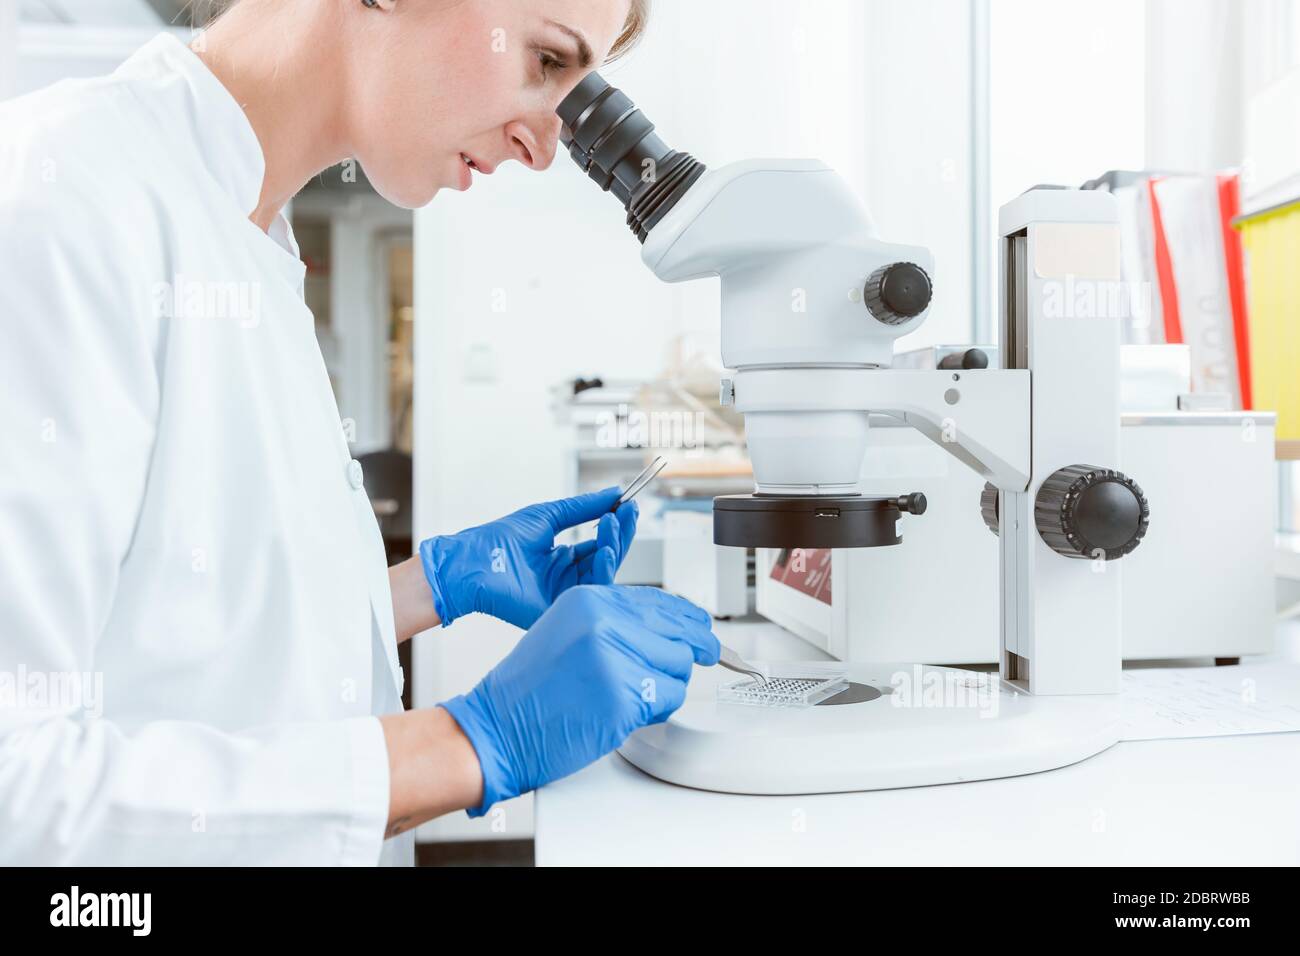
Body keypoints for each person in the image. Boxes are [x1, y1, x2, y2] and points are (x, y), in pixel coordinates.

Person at [0, 0, 719, 866]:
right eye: (541, 62)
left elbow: (196, 633)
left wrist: (432, 585)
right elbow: (19, 785)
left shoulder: (251, 229)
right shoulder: (58, 196)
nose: (544, 144)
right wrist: (466, 743)